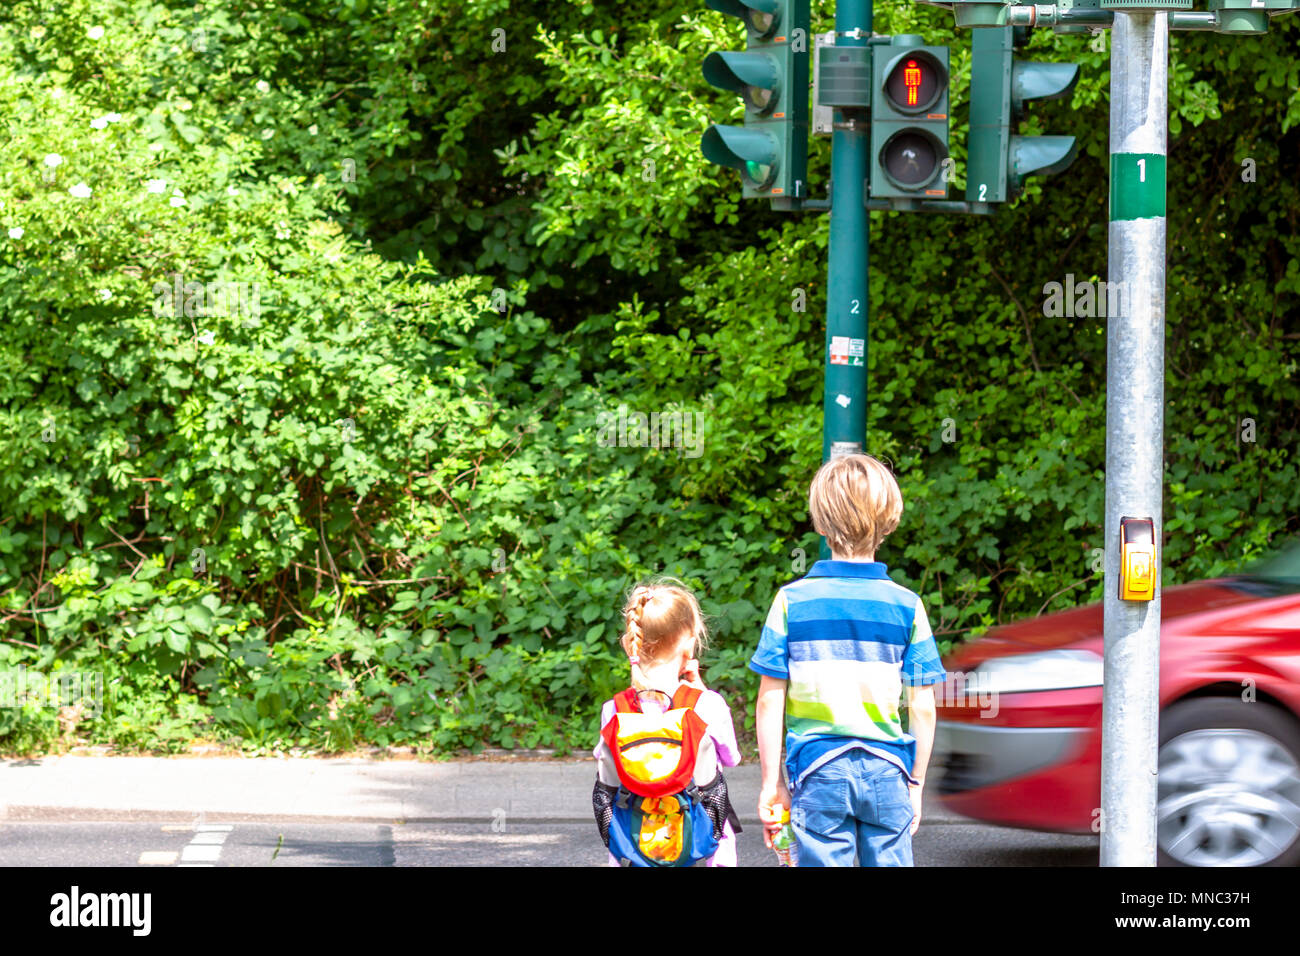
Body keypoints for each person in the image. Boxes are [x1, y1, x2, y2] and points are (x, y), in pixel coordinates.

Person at [751, 453, 946, 866]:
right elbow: (923, 708)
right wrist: (916, 782)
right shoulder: (908, 607)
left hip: (818, 769)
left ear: (820, 525)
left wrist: (773, 784)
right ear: (890, 521)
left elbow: (770, 698)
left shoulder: (791, 601)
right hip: (888, 769)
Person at [592, 578, 742, 866]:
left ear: (629, 644)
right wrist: (700, 690)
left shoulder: (614, 710)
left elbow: (605, 768)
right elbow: (732, 758)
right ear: (690, 645)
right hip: (702, 837)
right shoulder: (708, 705)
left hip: (635, 837)